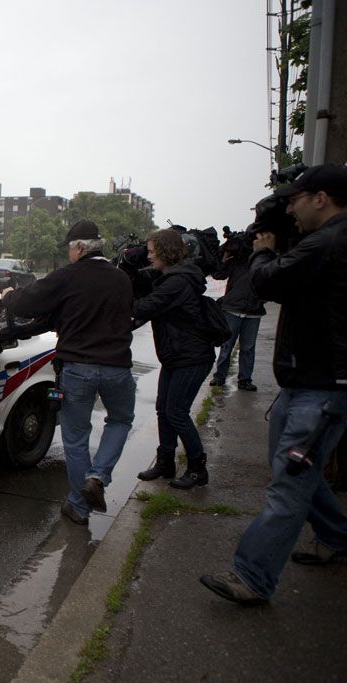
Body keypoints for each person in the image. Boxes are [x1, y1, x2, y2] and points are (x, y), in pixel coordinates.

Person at [201, 163, 347, 605]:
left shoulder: (330, 241)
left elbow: (268, 281)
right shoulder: (324, 243)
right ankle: (337, 537)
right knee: (293, 470)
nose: (291, 208)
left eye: (295, 200)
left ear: (320, 197)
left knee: (288, 482)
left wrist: (264, 250)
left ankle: (253, 576)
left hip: (322, 386)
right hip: (307, 383)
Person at [0, 219, 136, 525]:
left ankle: (79, 506)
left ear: (80, 248)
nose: (69, 255)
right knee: (121, 420)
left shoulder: (67, 277)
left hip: (79, 369)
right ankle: (97, 477)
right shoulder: (121, 279)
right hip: (118, 369)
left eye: (70, 249)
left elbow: (28, 303)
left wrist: (8, 297)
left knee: (75, 438)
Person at [132, 228, 216, 487]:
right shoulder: (172, 276)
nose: (148, 257)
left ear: (166, 252)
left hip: (191, 357)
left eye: (151, 251)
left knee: (176, 412)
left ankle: (197, 468)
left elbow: (144, 306)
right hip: (176, 355)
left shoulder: (177, 282)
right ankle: (166, 462)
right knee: (163, 410)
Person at [209, 228, 266, 391]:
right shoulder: (235, 262)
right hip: (232, 309)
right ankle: (219, 377)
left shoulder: (262, 262)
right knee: (226, 346)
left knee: (248, 348)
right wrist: (225, 256)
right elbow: (218, 274)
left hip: (254, 311)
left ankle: (245, 380)